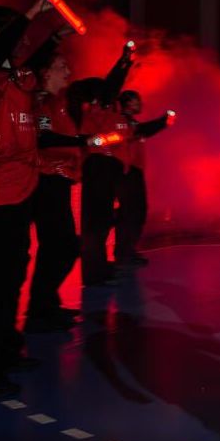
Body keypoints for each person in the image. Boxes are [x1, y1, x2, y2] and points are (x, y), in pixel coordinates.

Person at [0, 0, 61, 398]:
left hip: (18, 193)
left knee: (11, 280)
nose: (19, 42)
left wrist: (54, 31)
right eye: (10, 32)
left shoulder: (18, 78)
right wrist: (33, 11)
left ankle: (5, 353)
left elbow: (32, 55)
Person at [25, 53, 89, 332]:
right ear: (45, 72)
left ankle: (45, 306)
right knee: (62, 246)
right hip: (45, 181)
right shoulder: (39, 102)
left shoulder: (58, 104)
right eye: (62, 65)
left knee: (58, 247)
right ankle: (39, 311)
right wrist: (81, 140)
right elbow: (43, 137)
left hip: (59, 182)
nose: (69, 69)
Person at [77, 43, 135, 285]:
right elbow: (111, 86)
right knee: (95, 224)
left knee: (101, 223)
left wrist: (125, 62)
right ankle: (94, 273)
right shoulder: (92, 110)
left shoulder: (106, 111)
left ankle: (100, 269)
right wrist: (123, 62)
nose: (112, 97)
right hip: (97, 167)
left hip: (106, 168)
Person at [113, 90, 172, 268]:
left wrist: (163, 123)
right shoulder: (122, 121)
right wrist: (162, 121)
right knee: (132, 212)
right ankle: (124, 253)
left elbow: (142, 131)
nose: (140, 103)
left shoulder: (130, 122)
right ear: (128, 103)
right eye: (137, 100)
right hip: (128, 172)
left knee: (134, 213)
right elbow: (141, 130)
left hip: (132, 171)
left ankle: (127, 251)